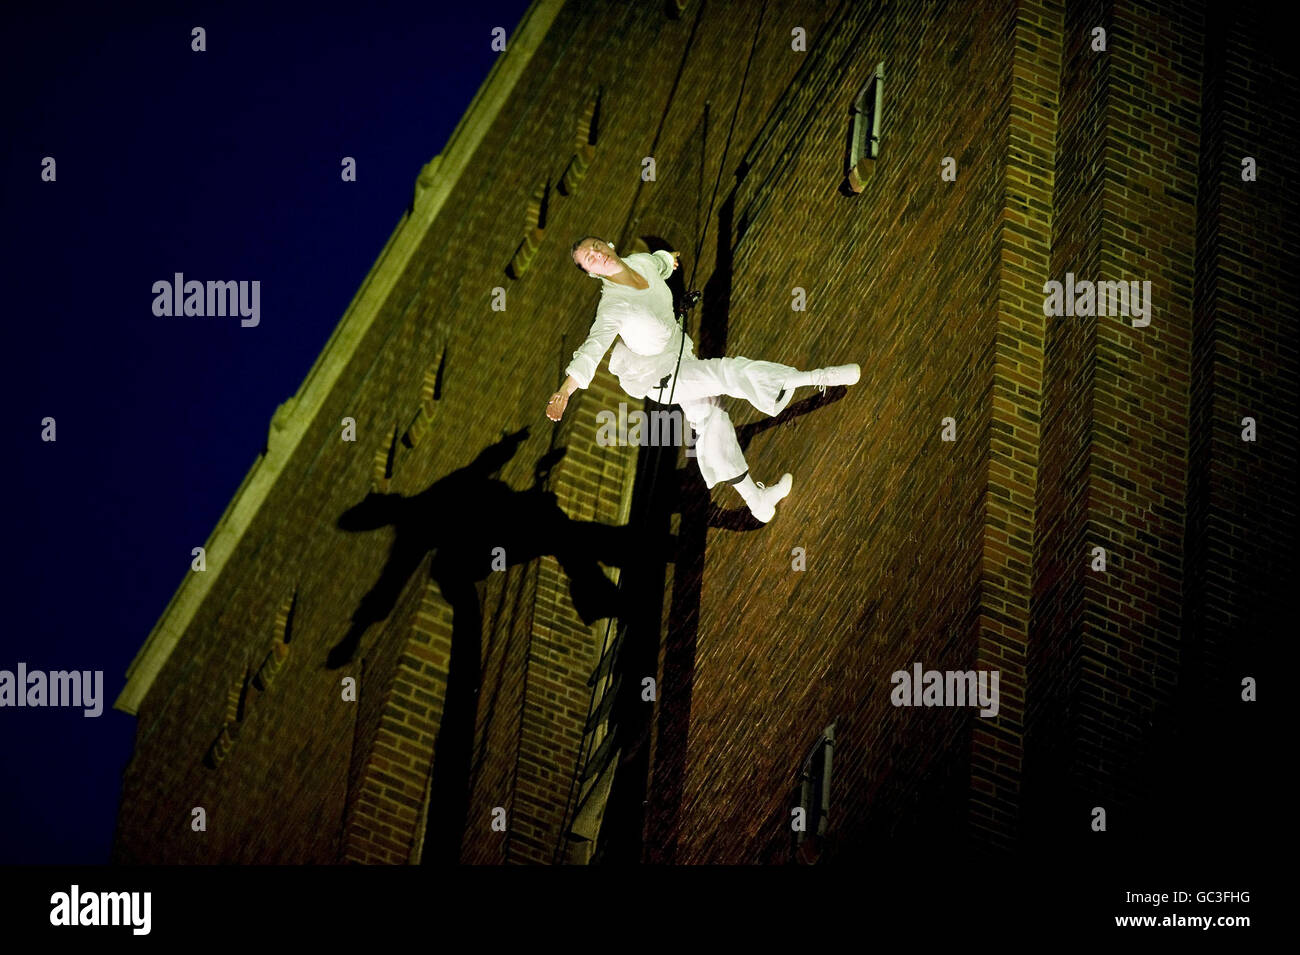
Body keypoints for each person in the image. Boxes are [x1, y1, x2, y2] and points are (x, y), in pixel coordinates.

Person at [546, 235, 860, 522]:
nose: (596, 254)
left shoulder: (640, 262)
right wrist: (564, 391)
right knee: (726, 372)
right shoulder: (612, 305)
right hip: (662, 376)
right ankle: (820, 376)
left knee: (712, 418)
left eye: (596, 246)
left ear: (609, 245)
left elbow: (659, 264)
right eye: (588, 258)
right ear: (591, 273)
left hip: (679, 353)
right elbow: (592, 349)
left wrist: (669, 258)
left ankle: (758, 502)